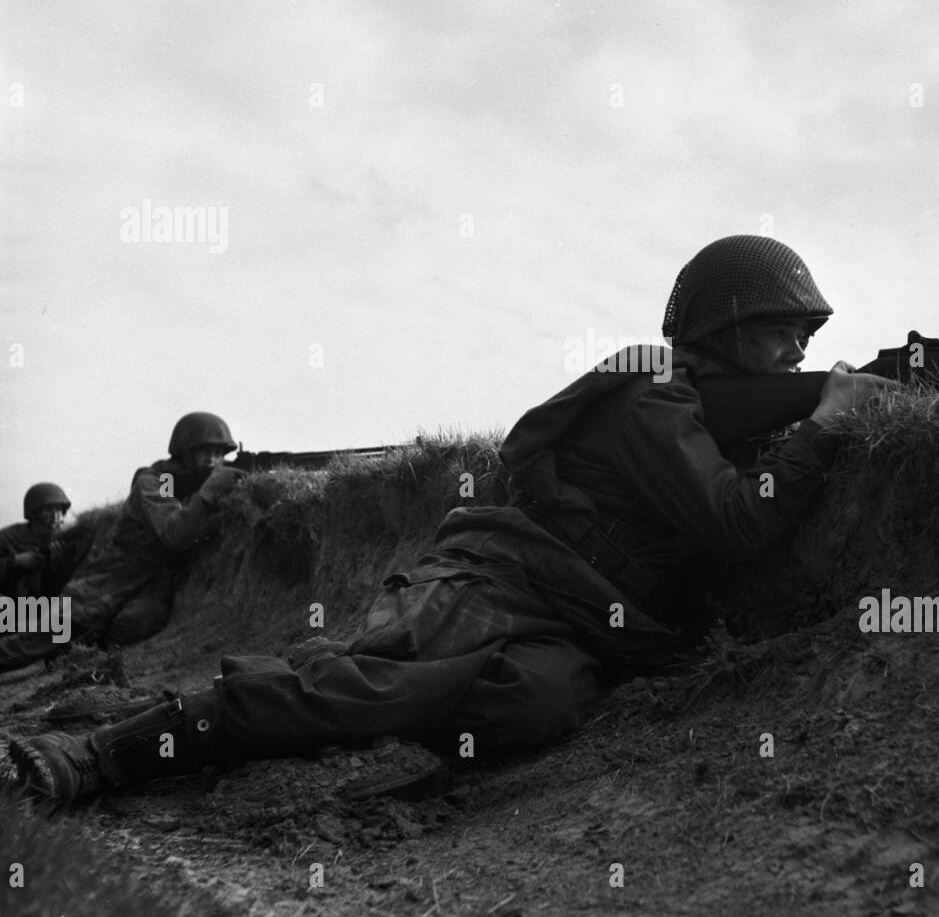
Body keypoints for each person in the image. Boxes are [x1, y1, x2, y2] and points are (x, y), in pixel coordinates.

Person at [8, 236, 894, 806]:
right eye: (782, 331)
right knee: (368, 686)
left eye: (808, 339)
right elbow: (740, 524)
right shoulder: (651, 401)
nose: (800, 349)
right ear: (724, 324)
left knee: (537, 701)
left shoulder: (700, 407)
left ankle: (324, 722)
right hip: (492, 579)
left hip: (572, 615)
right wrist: (823, 422)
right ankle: (105, 750)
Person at [0, 415, 243, 677]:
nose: (213, 459)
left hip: (152, 580)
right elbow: (175, 533)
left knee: (135, 624)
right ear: (183, 450)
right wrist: (208, 492)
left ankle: (82, 648)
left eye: (219, 452)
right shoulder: (159, 480)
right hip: (112, 577)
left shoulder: (186, 481)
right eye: (205, 451)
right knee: (44, 636)